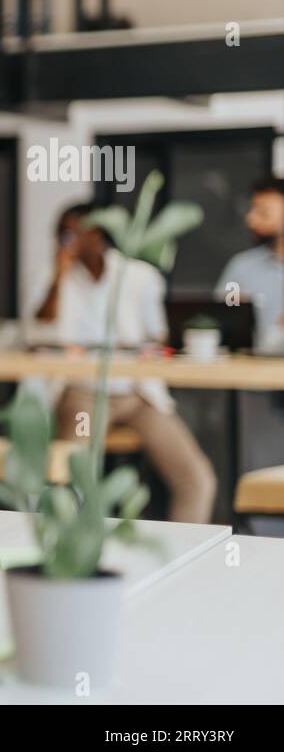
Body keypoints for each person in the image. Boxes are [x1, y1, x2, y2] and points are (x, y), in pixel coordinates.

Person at [32, 203, 215, 523]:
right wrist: (58, 277)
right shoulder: (52, 278)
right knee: (69, 474)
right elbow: (38, 332)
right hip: (83, 395)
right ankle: (70, 551)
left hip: (138, 395)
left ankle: (183, 556)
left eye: (74, 233)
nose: (67, 242)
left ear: (98, 233)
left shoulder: (139, 275)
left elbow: (157, 337)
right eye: (62, 235)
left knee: (197, 479)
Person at [217, 176, 284, 352]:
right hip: (250, 372)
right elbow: (218, 319)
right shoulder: (242, 267)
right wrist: (234, 310)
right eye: (252, 210)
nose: (251, 219)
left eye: (263, 212)